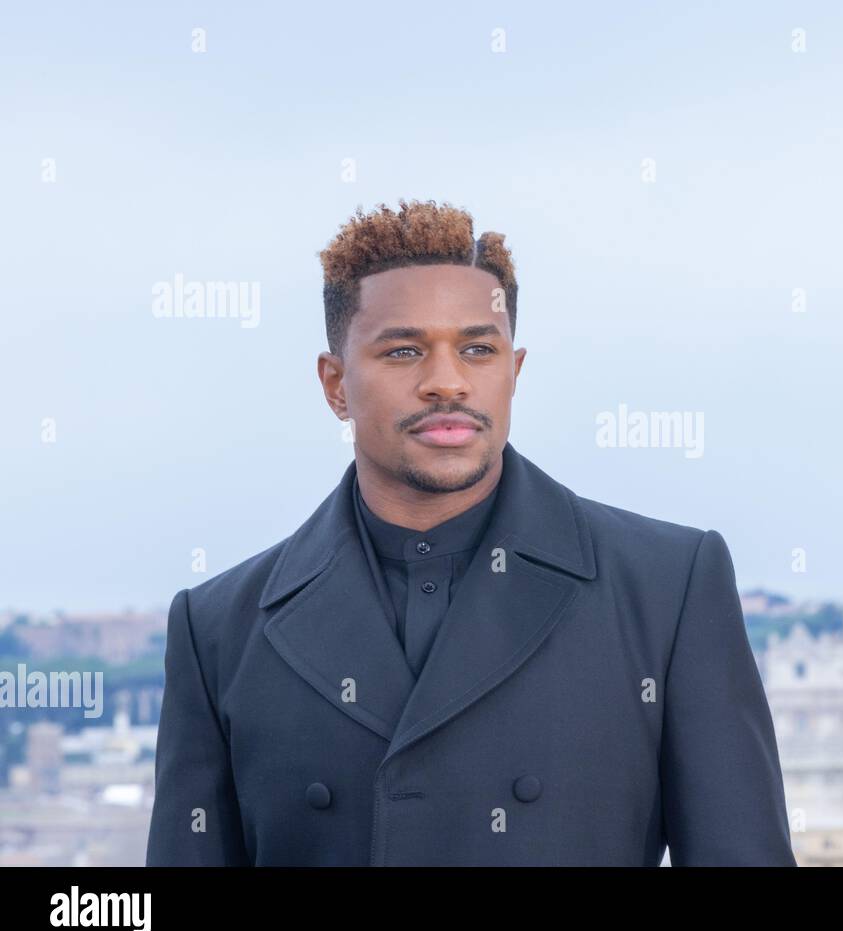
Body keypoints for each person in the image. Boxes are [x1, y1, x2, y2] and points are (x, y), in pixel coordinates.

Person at [146, 199, 796, 866]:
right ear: (336, 384)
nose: (446, 383)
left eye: (477, 349)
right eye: (404, 351)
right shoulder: (217, 629)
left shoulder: (667, 587)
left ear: (513, 373)